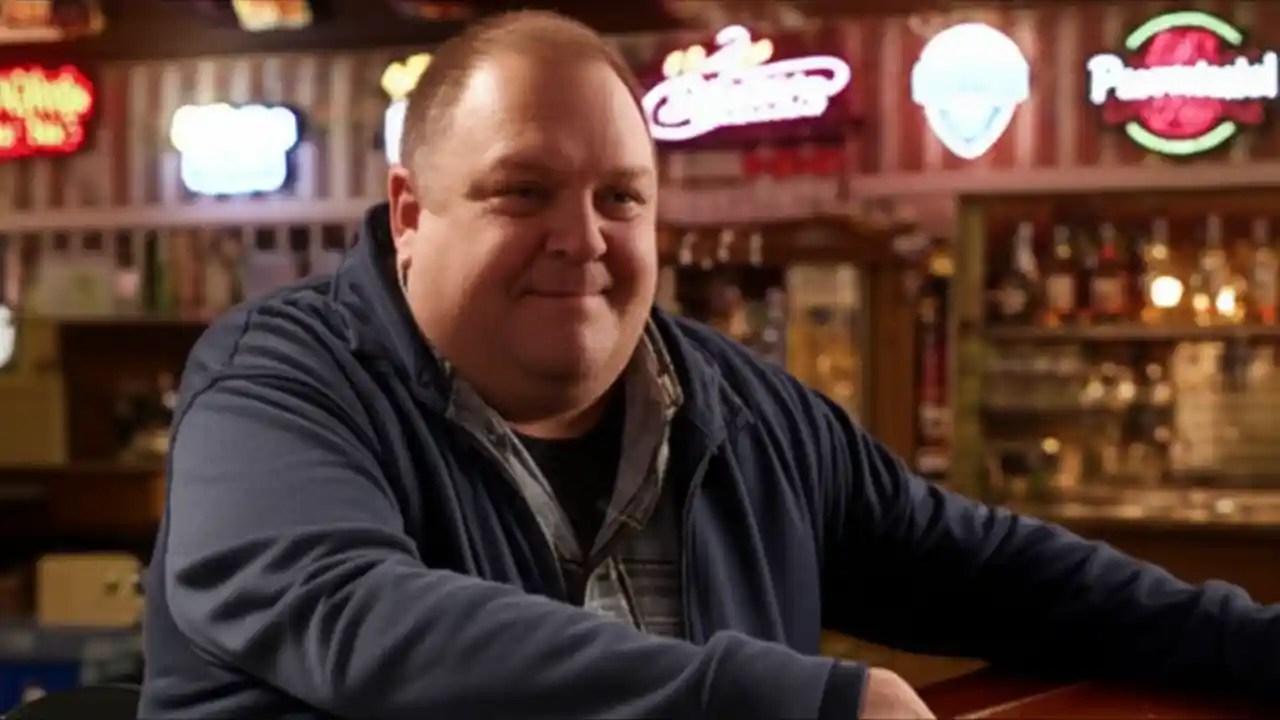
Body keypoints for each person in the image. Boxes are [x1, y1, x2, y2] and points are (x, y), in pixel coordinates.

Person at [140, 10, 1279, 719]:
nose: (581, 239)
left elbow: (990, 570)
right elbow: (354, 617)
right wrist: (786, 702)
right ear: (408, 213)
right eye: (521, 192)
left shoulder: (736, 404)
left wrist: (1250, 647)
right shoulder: (278, 380)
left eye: (618, 198)